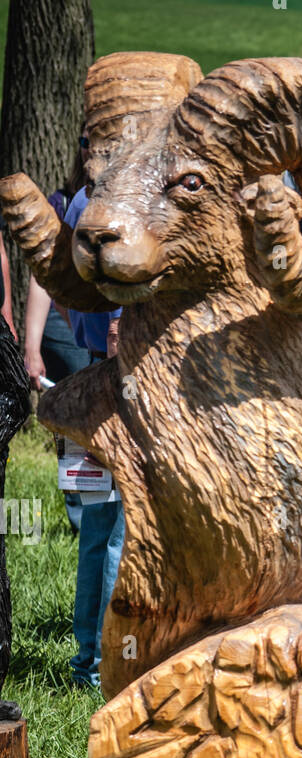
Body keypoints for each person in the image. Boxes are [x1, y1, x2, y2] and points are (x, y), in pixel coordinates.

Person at [63, 177, 124, 690]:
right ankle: (104, 662)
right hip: (121, 387)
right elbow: (117, 330)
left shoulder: (81, 202)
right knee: (118, 536)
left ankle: (88, 658)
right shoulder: (122, 204)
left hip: (84, 377)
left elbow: (63, 290)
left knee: (93, 532)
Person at [23, 143, 90, 531]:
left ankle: (110, 514)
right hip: (67, 332)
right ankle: (81, 514)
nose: (90, 149)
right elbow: (43, 275)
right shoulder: (62, 202)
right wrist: (32, 347)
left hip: (105, 329)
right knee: (72, 425)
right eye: (84, 142)